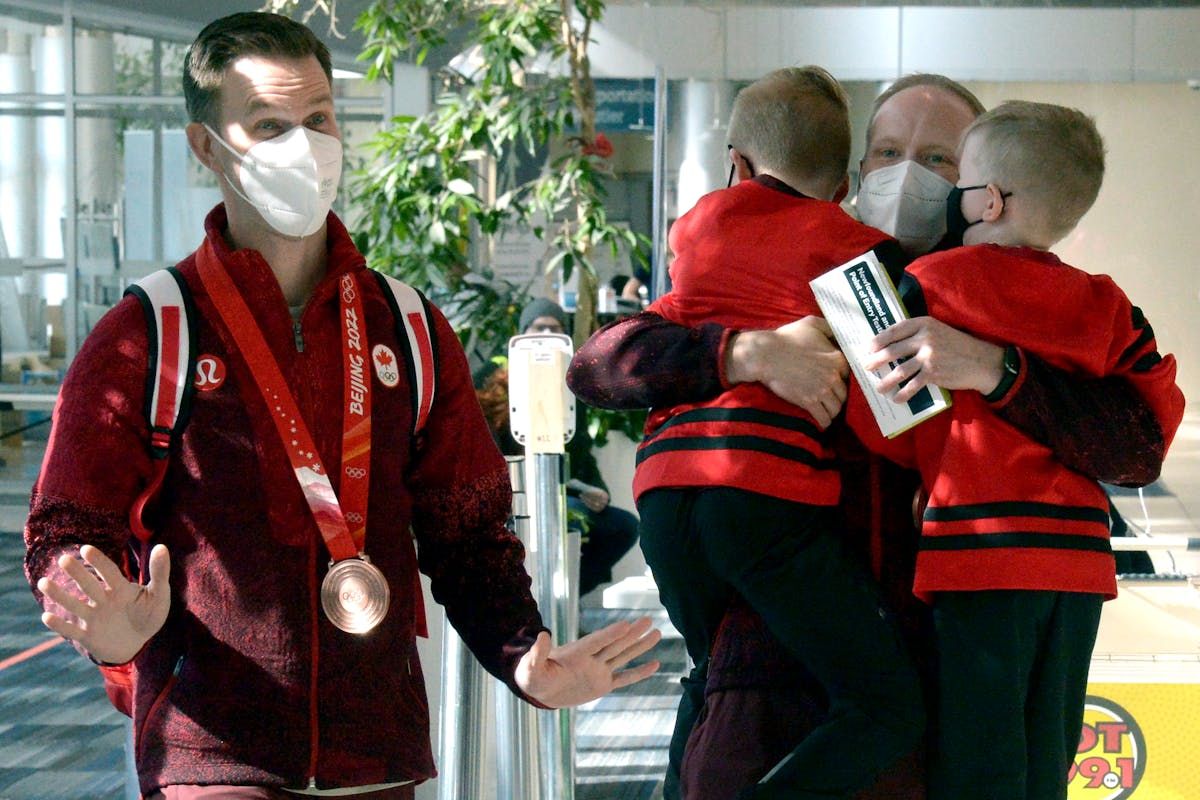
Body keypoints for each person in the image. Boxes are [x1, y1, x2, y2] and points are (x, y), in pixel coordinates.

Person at [23, 13, 660, 799]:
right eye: (269, 124)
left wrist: (523, 653)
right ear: (206, 148)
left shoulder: (407, 327)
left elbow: (467, 532)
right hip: (212, 757)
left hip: (376, 756)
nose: (304, 144)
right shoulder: (152, 331)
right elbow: (66, 525)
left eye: (318, 118)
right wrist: (108, 629)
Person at [566, 72, 1170, 800]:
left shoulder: (1031, 302)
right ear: (852, 175)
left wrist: (998, 370)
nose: (907, 173)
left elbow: (1137, 447)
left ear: (983, 187)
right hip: (770, 685)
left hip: (946, 680)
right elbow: (602, 362)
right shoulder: (804, 270)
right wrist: (743, 352)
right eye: (888, 151)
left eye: (939, 159)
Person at [847, 100, 1184, 800]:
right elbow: (1154, 418)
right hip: (1078, 564)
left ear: (989, 200)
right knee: (1048, 751)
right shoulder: (1107, 303)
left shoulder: (935, 282)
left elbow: (879, 421)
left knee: (979, 758)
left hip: (977, 555)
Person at [632, 67, 925, 800]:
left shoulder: (696, 229)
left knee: (706, 674)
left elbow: (632, 345)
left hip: (661, 498)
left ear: (735, 162)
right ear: (842, 187)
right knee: (887, 708)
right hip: (761, 500)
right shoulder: (853, 246)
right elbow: (896, 414)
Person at [477, 298, 639, 597]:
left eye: (555, 330)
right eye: (539, 329)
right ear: (523, 334)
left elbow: (581, 452)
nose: (546, 337)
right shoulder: (491, 382)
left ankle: (564, 596)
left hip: (560, 492)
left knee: (622, 527)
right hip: (509, 495)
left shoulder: (571, 387)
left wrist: (596, 491)